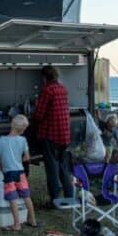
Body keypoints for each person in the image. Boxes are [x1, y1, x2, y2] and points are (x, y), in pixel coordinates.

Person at [32, 65, 73, 206]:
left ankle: (55, 199)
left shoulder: (47, 90)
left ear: (44, 77)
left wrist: (35, 107)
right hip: (65, 135)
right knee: (62, 166)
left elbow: (39, 115)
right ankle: (69, 196)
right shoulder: (62, 89)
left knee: (52, 168)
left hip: (51, 135)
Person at [0, 114, 38, 231]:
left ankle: (17, 224)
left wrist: (2, 167)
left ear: (12, 124)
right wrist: (19, 162)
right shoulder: (23, 140)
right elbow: (27, 157)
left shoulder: (1, 140)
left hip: (9, 173)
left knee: (13, 198)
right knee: (26, 196)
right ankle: (32, 220)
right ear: (22, 130)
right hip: (20, 173)